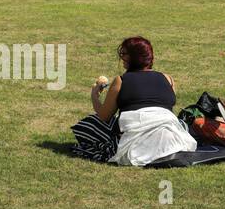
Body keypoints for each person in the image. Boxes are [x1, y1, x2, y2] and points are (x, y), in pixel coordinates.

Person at [78, 36, 197, 166]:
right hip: (173, 141)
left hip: (137, 146)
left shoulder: (121, 80)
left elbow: (104, 116)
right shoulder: (167, 78)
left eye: (124, 54)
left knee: (91, 123)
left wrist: (94, 95)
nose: (122, 57)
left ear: (133, 58)